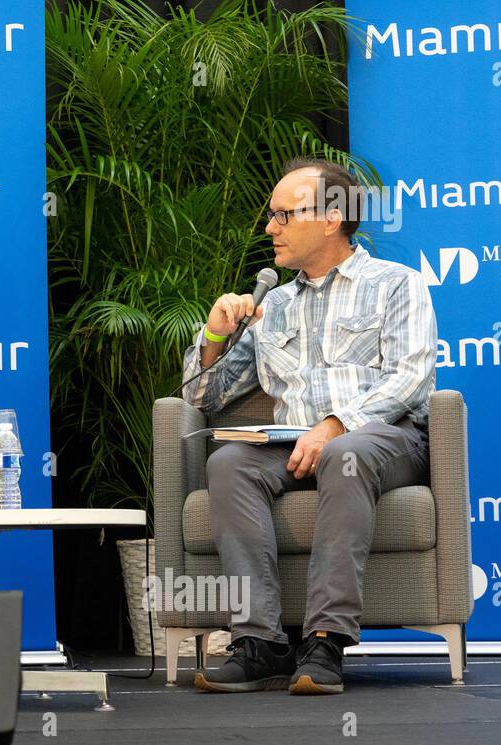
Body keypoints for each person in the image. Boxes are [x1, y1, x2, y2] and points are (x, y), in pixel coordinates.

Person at [181, 157, 437, 695]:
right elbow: (204, 398)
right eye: (271, 216)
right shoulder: (272, 304)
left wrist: (336, 424)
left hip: (384, 437)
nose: (269, 228)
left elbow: (411, 380)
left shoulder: (397, 284)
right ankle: (262, 644)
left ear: (331, 217)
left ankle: (325, 640)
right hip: (292, 442)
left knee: (348, 453)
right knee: (227, 464)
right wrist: (212, 336)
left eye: (282, 214)